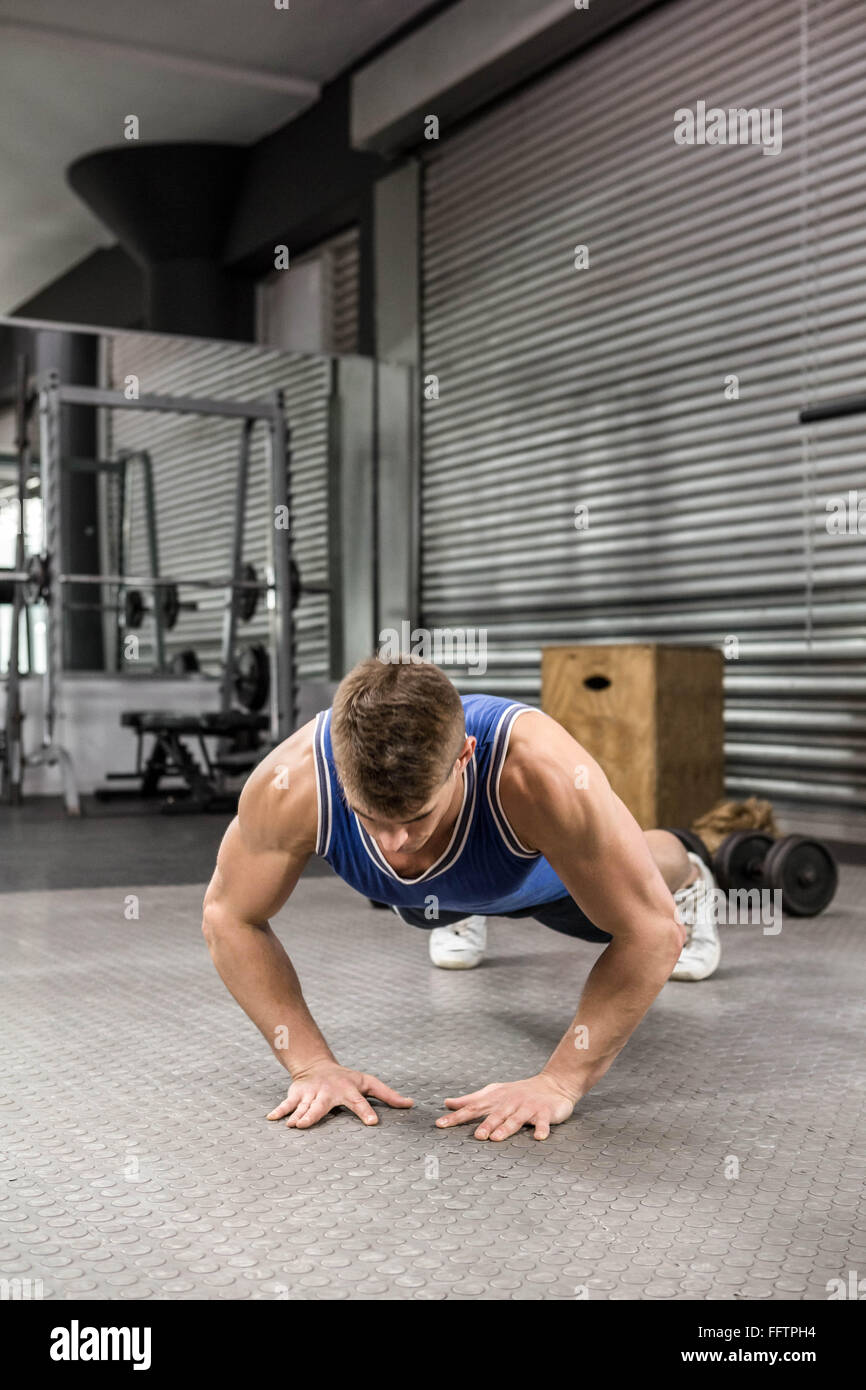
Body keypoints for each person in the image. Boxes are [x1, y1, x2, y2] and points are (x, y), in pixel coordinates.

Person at [202, 657, 719, 1143]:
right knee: (430, 897)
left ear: (465, 758)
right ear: (339, 772)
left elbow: (650, 933)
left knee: (645, 886)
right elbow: (230, 916)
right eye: (369, 817)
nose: (393, 844)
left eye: (416, 818)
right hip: (433, 897)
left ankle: (691, 875)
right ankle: (459, 905)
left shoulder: (538, 773)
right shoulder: (291, 783)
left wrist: (559, 1083)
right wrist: (311, 1066)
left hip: (536, 878)